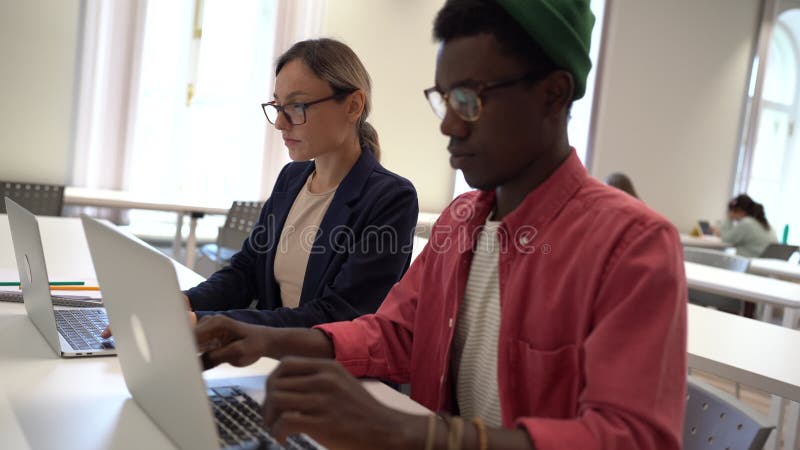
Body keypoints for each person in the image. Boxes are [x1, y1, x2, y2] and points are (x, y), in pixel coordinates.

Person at [194, 1, 687, 449]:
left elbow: (632, 438)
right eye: (444, 100)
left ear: (553, 95)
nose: (449, 125)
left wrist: (415, 431)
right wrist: (263, 337)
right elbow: (395, 335)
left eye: (470, 100)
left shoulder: (632, 244)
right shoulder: (463, 220)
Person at [103, 39, 418, 338]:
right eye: (277, 106)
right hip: (276, 364)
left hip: (338, 381)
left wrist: (205, 322)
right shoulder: (291, 180)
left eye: (296, 106)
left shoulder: (391, 199)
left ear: (353, 106)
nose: (280, 123)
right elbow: (246, 272)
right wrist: (183, 303)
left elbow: (337, 316)